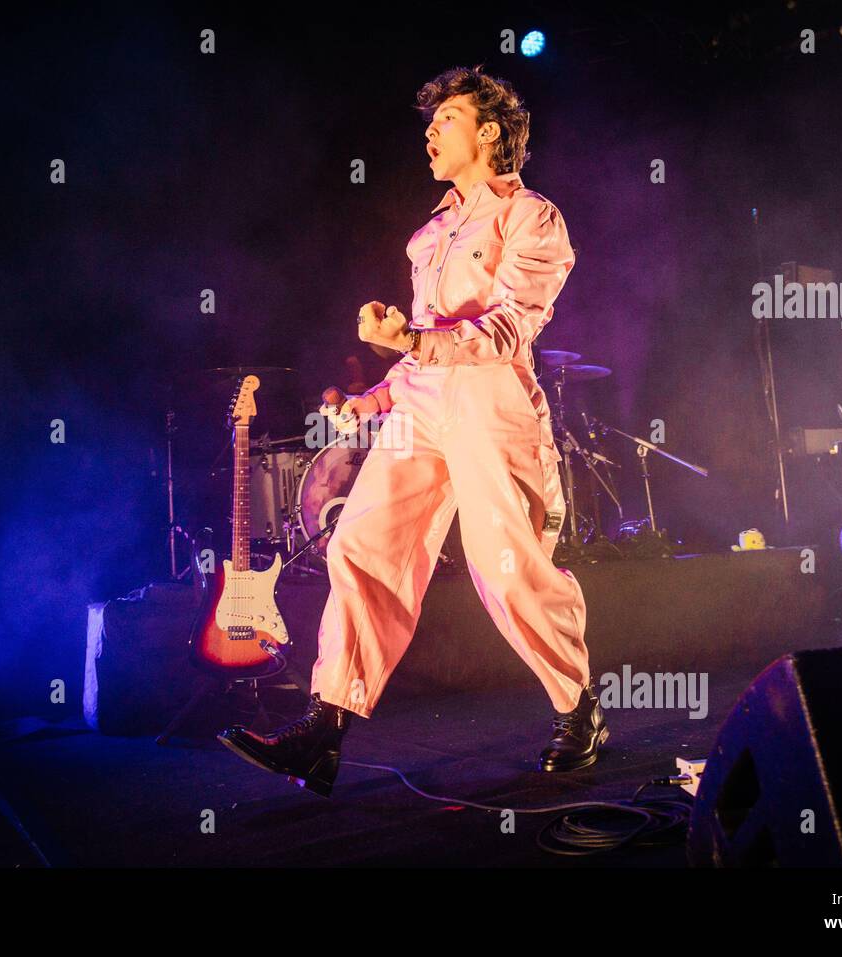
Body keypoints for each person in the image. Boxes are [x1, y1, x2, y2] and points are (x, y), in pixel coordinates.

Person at [219, 65, 605, 797]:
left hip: (491, 400)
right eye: (428, 123)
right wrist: (377, 394)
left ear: (489, 131)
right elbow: (422, 340)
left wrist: (414, 348)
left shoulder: (533, 219)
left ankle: (577, 706)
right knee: (361, 544)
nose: (430, 132)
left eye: (447, 119)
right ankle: (325, 729)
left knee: (504, 566)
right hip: (423, 399)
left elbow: (508, 327)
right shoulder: (428, 235)